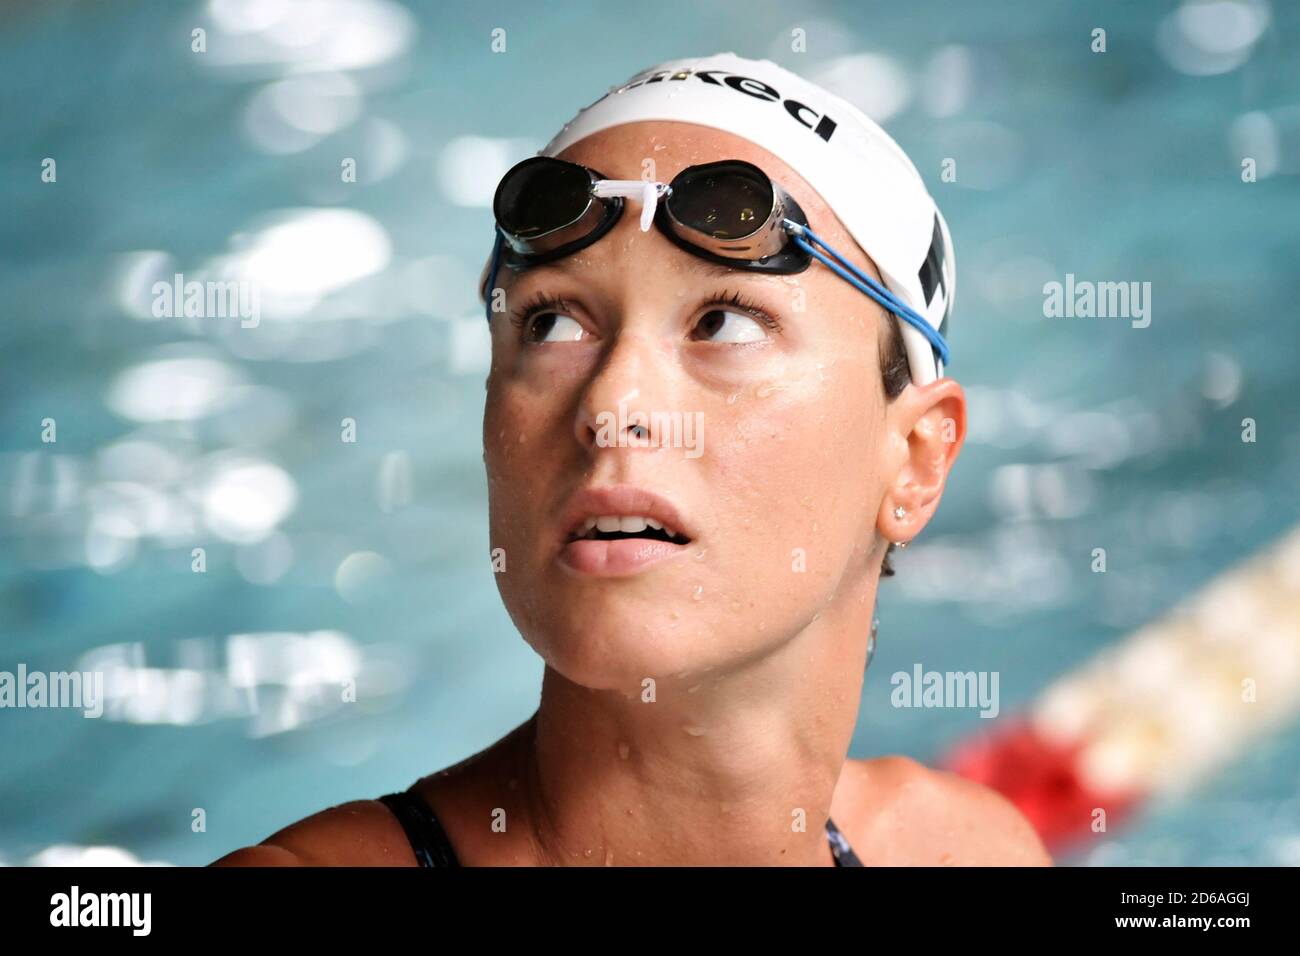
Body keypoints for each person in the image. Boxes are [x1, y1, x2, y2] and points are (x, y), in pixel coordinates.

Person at [213, 52, 1051, 867]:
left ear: (913, 461)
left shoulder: (967, 851)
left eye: (723, 322)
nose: (611, 405)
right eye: (553, 324)